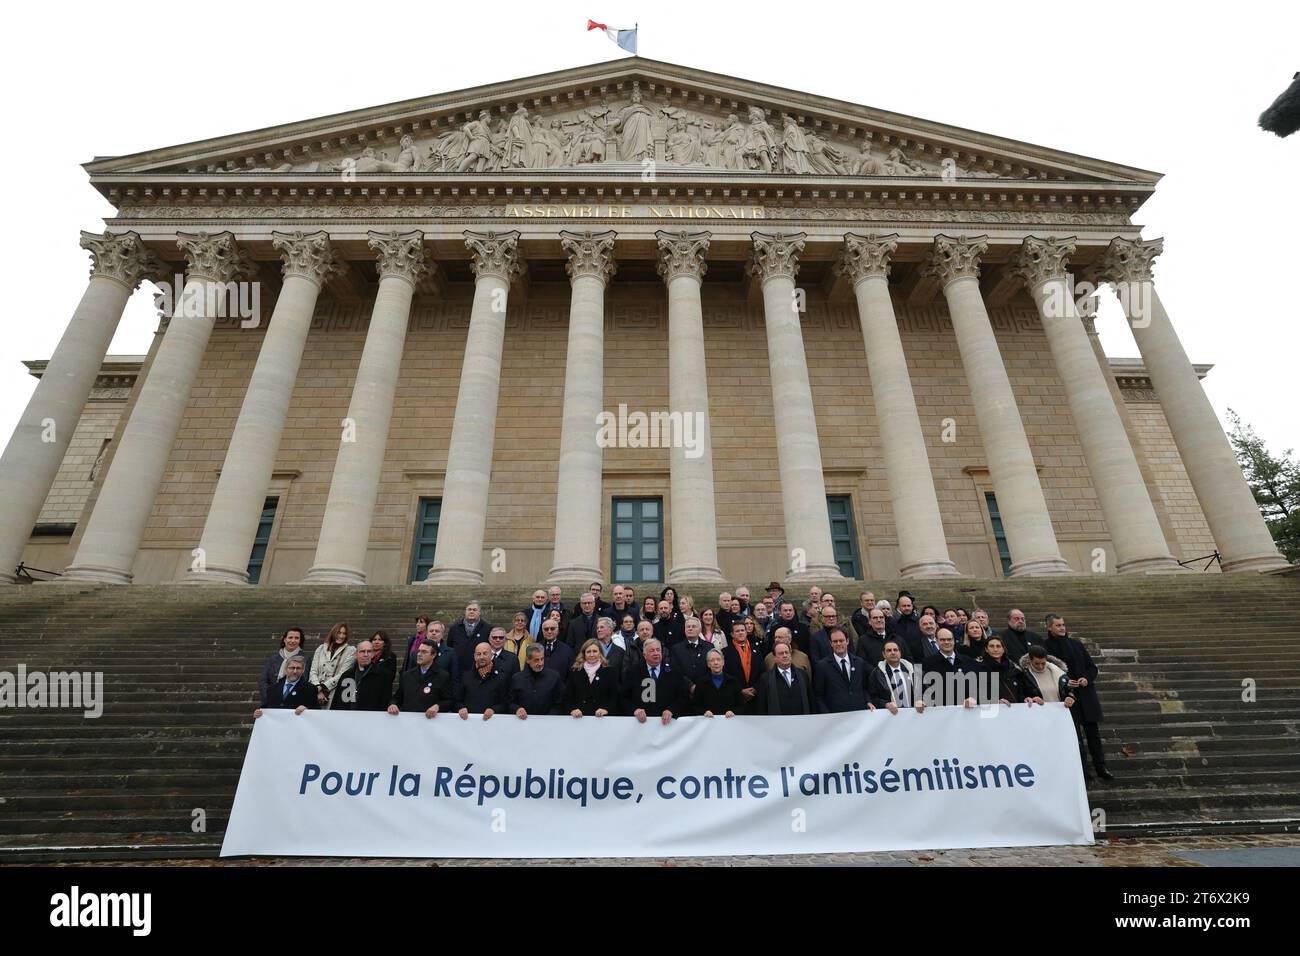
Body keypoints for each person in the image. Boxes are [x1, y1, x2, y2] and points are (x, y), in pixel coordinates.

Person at [1041, 614, 1112, 780]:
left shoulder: (1076, 644)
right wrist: (1065, 682)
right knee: (1074, 737)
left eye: (1063, 625)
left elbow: (1092, 668)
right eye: (1058, 625)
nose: (1062, 628)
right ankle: (1083, 771)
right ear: (1049, 627)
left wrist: (1086, 678)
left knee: (1093, 735)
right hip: (1065, 698)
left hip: (1086, 695)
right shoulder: (1045, 647)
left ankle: (1101, 767)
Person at [623, 637, 687, 723]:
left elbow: (683, 697)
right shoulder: (633, 671)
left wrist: (671, 710)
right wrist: (634, 710)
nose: (656, 653)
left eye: (658, 650)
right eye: (652, 650)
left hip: (667, 725)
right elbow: (624, 697)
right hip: (641, 724)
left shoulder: (674, 671)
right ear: (644, 655)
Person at [388, 640, 452, 717]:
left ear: (433, 655)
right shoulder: (407, 675)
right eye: (419, 651)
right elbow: (397, 697)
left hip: (430, 722)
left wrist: (438, 706)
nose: (419, 654)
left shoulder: (442, 676)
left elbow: (449, 701)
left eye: (424, 652)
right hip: (408, 722)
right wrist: (393, 704)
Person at [812, 629, 869, 713]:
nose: (838, 644)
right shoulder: (822, 666)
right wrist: (826, 714)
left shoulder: (859, 662)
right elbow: (818, 695)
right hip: (835, 717)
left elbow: (865, 687)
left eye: (841, 640)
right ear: (831, 643)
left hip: (859, 714)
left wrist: (868, 701)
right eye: (835, 641)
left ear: (847, 641)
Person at [925, 628, 979, 708]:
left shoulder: (969, 661)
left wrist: (974, 697)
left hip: (968, 712)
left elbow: (979, 684)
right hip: (941, 713)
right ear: (936, 641)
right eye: (943, 640)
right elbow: (922, 688)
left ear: (954, 641)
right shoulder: (927, 663)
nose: (946, 642)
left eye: (949, 639)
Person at [867, 640, 923, 713]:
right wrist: (886, 704)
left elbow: (926, 690)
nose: (893, 653)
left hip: (914, 714)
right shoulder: (877, 674)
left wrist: (921, 700)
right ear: (884, 654)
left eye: (895, 650)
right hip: (892, 716)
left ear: (900, 653)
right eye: (889, 650)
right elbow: (873, 697)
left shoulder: (913, 670)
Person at [757, 641, 812, 714]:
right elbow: (762, 707)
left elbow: (811, 700)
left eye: (787, 652)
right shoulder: (766, 678)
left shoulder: (802, 674)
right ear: (774, 658)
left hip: (801, 721)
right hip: (777, 723)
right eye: (781, 653)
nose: (785, 655)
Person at [334, 640, 392, 712]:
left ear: (373, 654)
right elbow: (337, 702)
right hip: (348, 719)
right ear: (356, 654)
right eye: (362, 651)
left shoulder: (383, 676)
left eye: (369, 651)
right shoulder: (346, 675)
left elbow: (385, 703)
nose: (366, 654)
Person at [566, 639, 618, 717]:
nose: (592, 654)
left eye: (595, 651)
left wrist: (606, 709)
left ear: (600, 653)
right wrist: (573, 709)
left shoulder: (609, 671)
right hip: (579, 719)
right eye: (588, 652)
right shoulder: (575, 671)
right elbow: (568, 696)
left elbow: (615, 696)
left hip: (602, 719)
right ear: (583, 654)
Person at [510, 644, 566, 717]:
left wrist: (550, 717)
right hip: (523, 722)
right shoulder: (517, 678)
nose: (540, 663)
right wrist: (517, 709)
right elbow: (510, 702)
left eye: (542, 659)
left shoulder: (554, 677)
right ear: (528, 660)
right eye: (536, 660)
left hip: (548, 723)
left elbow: (560, 702)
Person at [458, 642, 510, 719]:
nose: (482, 657)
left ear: (492, 655)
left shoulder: (502, 677)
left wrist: (494, 710)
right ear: (474, 657)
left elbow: (506, 703)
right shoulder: (466, 676)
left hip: (493, 724)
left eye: (485, 653)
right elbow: (457, 700)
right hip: (469, 723)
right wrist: (461, 707)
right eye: (478, 654)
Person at [309, 623, 355, 709]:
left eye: (344, 633)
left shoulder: (351, 650)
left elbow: (343, 673)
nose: (341, 636)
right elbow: (313, 671)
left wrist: (323, 687)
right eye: (339, 632)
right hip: (316, 692)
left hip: (335, 692)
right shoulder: (321, 648)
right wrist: (317, 688)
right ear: (333, 633)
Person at [977, 636, 1035, 704]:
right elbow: (976, 694)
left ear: (1003, 649)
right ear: (986, 649)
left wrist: (1026, 698)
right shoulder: (979, 669)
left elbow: (1022, 692)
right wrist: (994, 701)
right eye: (991, 646)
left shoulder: (1014, 668)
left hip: (1016, 710)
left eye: (998, 646)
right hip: (993, 711)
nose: (995, 649)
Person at [259, 626, 307, 706]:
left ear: (300, 641)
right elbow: (263, 680)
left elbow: (305, 679)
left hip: (294, 702)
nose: (293, 640)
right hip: (271, 700)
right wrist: (269, 696)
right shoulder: (273, 659)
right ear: (284, 639)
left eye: (296, 638)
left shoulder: (305, 659)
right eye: (290, 637)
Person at [722, 620, 762, 713]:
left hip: (755, 697)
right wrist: (740, 690)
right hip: (735, 699)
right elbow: (725, 675)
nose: (740, 633)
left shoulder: (756, 650)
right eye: (737, 631)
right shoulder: (725, 652)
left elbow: (762, 672)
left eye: (742, 630)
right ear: (732, 634)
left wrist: (755, 688)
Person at [670, 616, 712, 696]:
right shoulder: (676, 649)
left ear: (700, 630)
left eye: (693, 626)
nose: (690, 628)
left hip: (705, 691)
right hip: (683, 693)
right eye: (688, 627)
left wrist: (700, 686)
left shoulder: (709, 647)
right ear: (685, 630)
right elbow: (675, 670)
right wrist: (690, 685)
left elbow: (711, 669)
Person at [694, 649, 742, 717]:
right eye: (712, 660)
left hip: (729, 722)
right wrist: (704, 712)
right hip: (709, 722)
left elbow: (741, 705)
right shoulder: (701, 683)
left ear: (723, 662)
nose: (716, 662)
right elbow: (695, 706)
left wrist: (733, 712)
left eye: (718, 659)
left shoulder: (733, 681)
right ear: (708, 664)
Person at [450, 602, 493, 670]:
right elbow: (450, 647)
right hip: (458, 668)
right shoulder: (455, 628)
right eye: (469, 609)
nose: (471, 611)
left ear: (479, 613)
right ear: (465, 612)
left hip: (479, 668)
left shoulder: (488, 629)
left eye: (474, 610)